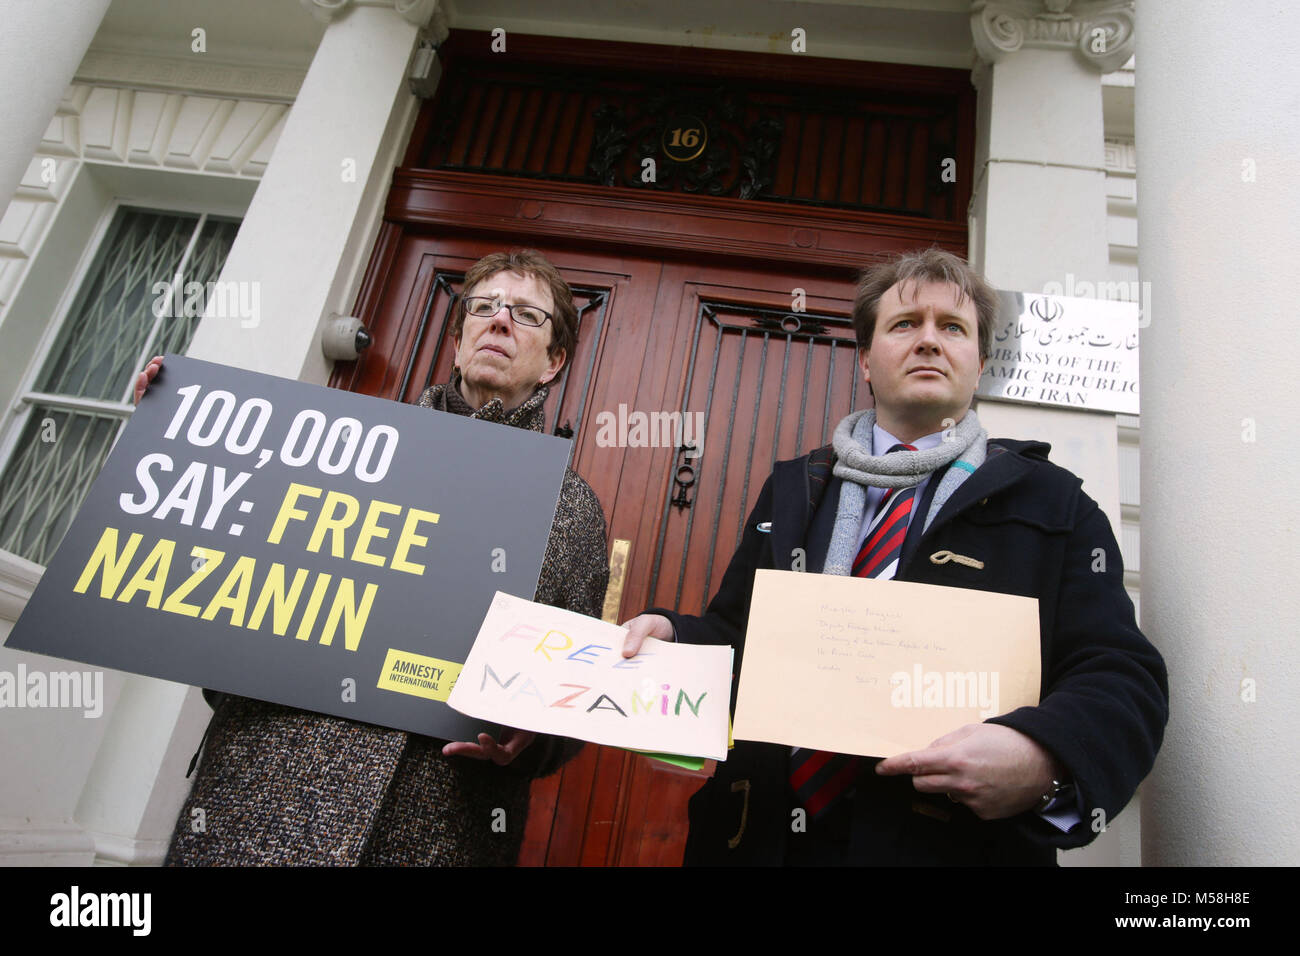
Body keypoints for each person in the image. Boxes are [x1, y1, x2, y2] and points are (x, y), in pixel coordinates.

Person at [622, 248, 1168, 865]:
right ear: (864, 359)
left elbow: (1121, 678)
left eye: (952, 327)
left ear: (980, 362)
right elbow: (738, 635)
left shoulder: (1055, 502)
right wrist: (673, 636)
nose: (929, 341)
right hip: (758, 840)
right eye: (905, 324)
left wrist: (1043, 757)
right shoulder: (794, 487)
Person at [140, 249, 609, 865]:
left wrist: (530, 739)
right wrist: (174, 427)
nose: (499, 322)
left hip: (434, 824)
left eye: (526, 314)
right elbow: (229, 604)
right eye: (485, 307)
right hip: (262, 788)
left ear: (554, 363)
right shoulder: (327, 446)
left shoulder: (572, 509)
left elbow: (568, 703)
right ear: (460, 338)